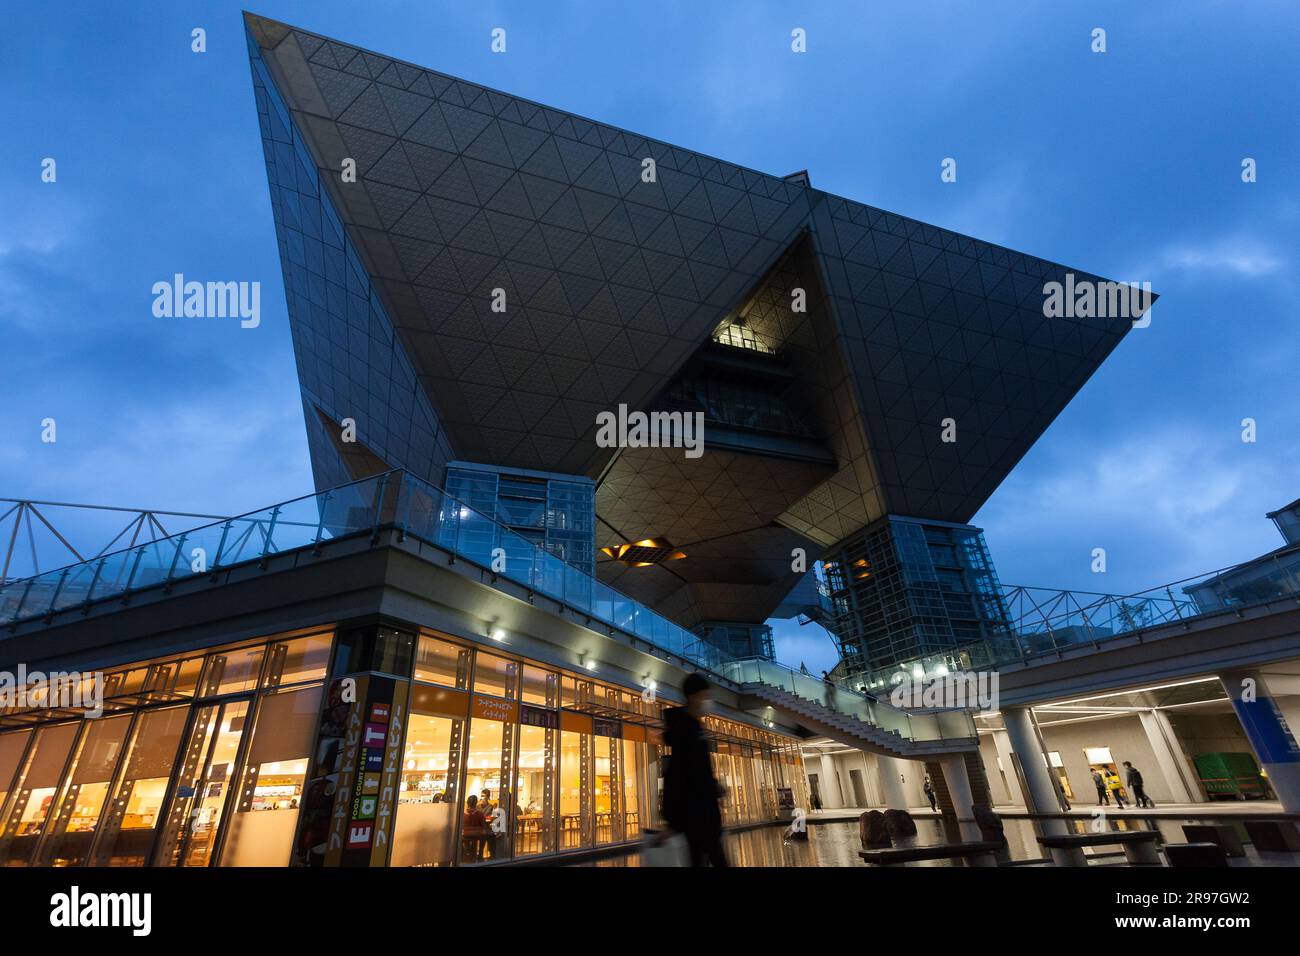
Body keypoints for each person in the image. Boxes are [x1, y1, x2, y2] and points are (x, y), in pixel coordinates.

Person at [661, 673, 728, 866]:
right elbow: (677, 776)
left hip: (705, 817)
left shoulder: (695, 727)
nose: (708, 702)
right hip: (697, 819)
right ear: (693, 697)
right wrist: (672, 822)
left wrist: (714, 787)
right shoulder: (685, 731)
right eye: (705, 697)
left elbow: (699, 771)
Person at [461, 795, 486, 861]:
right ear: (476, 803)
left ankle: (467, 852)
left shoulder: (463, 814)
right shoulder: (479, 814)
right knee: (485, 836)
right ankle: (480, 854)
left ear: (467, 803)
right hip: (477, 834)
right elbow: (483, 825)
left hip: (465, 834)